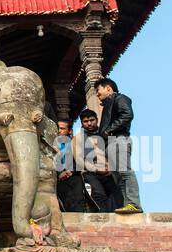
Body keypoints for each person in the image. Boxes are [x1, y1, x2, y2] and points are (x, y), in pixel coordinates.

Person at [96, 77, 142, 214]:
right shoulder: (108, 104)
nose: (97, 95)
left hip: (119, 139)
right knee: (118, 176)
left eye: (98, 91)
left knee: (124, 171)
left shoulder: (120, 98)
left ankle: (134, 203)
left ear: (108, 88)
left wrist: (107, 131)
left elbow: (127, 115)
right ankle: (127, 204)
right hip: (111, 142)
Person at [78, 108, 118, 212]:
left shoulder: (106, 134)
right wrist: (96, 169)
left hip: (108, 171)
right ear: (81, 123)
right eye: (86, 122)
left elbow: (112, 153)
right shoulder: (78, 139)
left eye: (92, 120)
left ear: (97, 119)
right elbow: (79, 160)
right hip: (90, 172)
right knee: (99, 195)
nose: (89, 123)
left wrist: (110, 166)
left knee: (115, 196)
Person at [54, 118, 88, 212]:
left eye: (62, 128)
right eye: (58, 128)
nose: (59, 131)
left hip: (74, 176)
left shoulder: (75, 143)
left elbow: (82, 159)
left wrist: (71, 170)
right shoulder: (51, 144)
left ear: (69, 131)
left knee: (77, 200)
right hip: (58, 178)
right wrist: (59, 174)